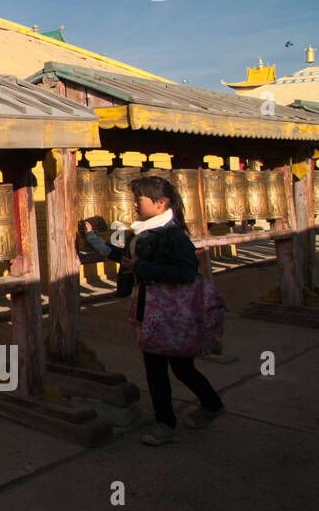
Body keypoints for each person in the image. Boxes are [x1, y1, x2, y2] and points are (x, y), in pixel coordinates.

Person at [80, 175, 225, 445]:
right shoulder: (143, 231)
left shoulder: (172, 235)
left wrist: (143, 269)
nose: (135, 204)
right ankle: (202, 408)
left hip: (168, 313)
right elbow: (121, 256)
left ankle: (169, 423)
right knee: (164, 367)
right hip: (151, 309)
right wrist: (91, 238)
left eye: (139, 199)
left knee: (174, 368)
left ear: (160, 203)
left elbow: (186, 271)